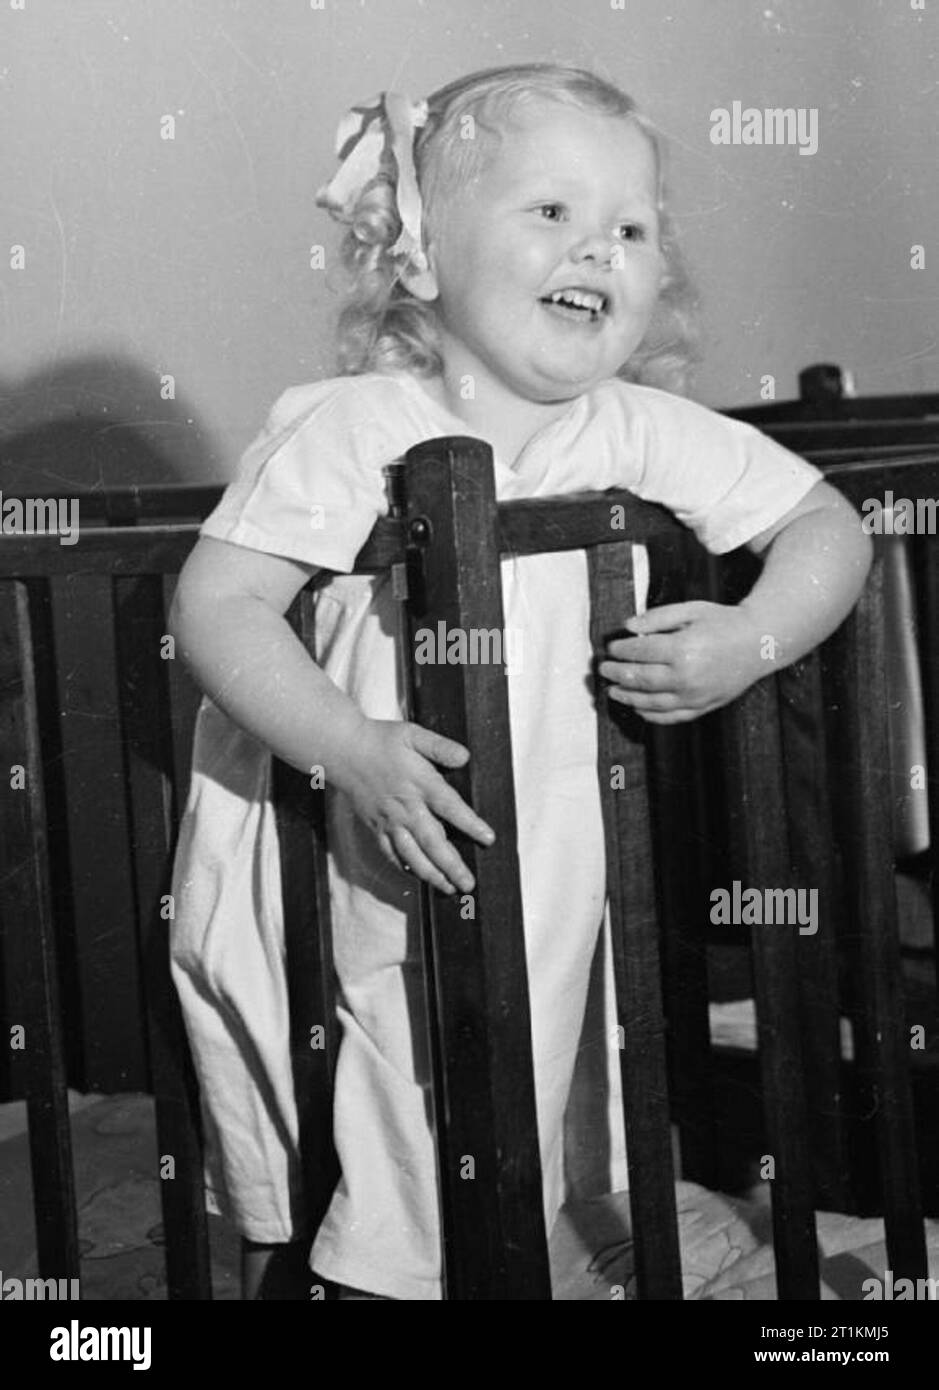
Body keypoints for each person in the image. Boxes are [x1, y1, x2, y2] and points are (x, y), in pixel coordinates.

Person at [167, 63, 872, 1300]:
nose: (599, 242)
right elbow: (217, 609)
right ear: (428, 256)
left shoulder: (629, 425)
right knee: (339, 1086)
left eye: (633, 226)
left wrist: (748, 641)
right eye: (552, 211)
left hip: (539, 841)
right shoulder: (357, 425)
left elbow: (828, 524)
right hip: (341, 810)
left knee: (516, 1071)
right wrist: (351, 743)